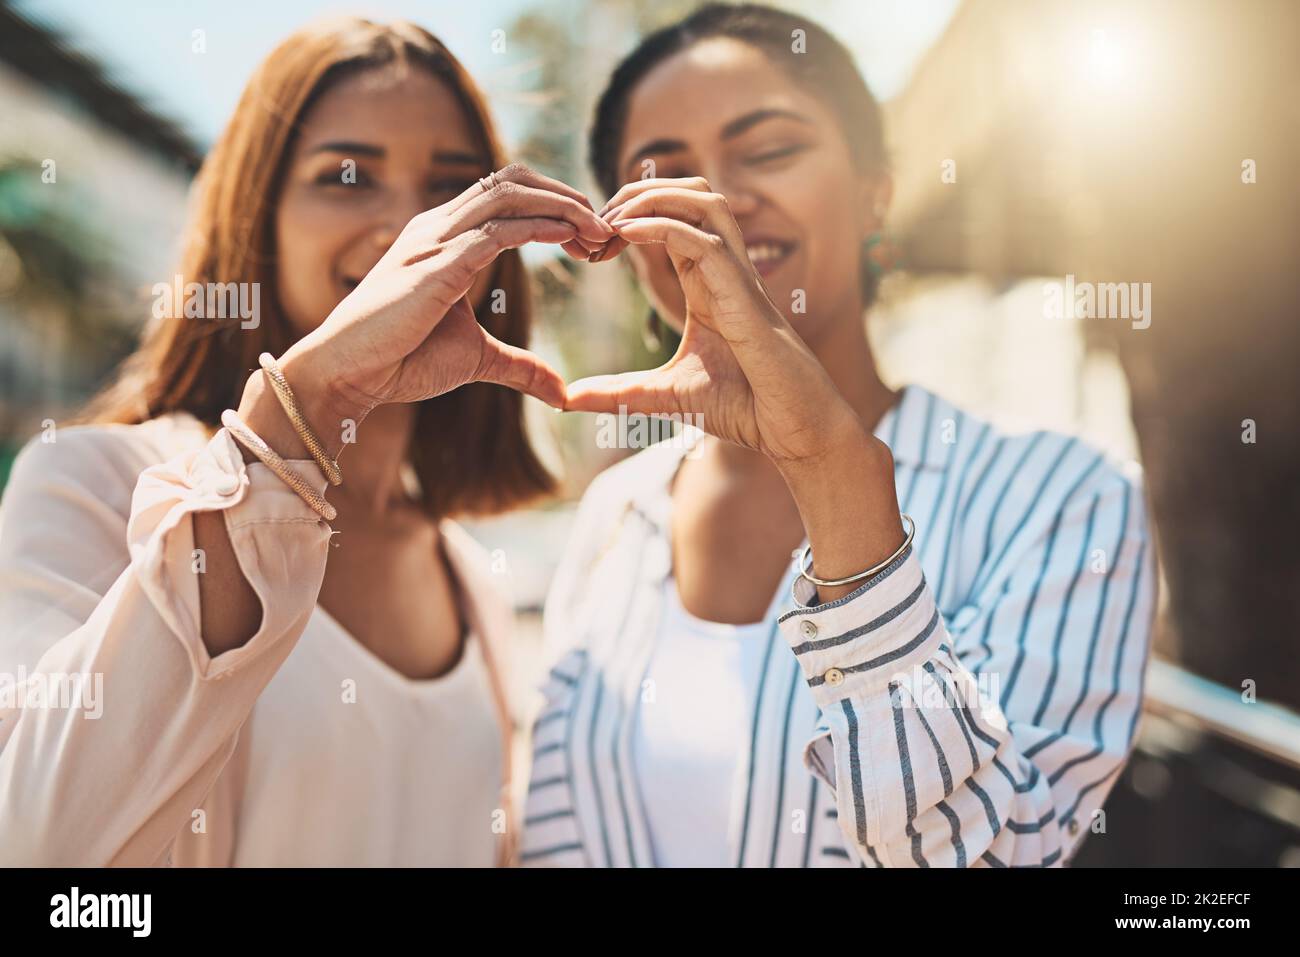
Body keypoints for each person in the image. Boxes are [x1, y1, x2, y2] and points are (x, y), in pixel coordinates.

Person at [520, 3, 1157, 868]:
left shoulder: (1063, 500)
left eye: (771, 150)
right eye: (664, 179)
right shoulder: (614, 515)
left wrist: (832, 472)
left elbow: (1000, 855)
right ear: (620, 245)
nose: (717, 201)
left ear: (874, 192)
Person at [0, 17, 614, 866]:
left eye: (451, 186)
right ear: (260, 220)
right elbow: (42, 847)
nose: (407, 225)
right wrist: (307, 403)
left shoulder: (469, 578)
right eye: (347, 178)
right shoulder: (91, 483)